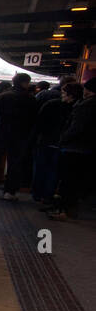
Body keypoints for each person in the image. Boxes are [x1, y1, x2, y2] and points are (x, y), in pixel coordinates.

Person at [49, 77, 96, 220]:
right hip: (87, 149)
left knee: (68, 180)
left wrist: (63, 140)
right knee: (76, 181)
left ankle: (64, 210)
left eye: (86, 88)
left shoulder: (86, 106)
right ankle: (68, 209)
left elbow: (76, 127)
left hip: (74, 148)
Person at [0, 72, 40, 199]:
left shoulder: (1, 97)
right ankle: (10, 191)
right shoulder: (31, 99)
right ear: (25, 83)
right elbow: (34, 119)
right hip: (20, 136)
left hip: (1, 133)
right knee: (15, 163)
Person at [33, 82, 79, 206]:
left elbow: (39, 123)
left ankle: (38, 194)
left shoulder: (51, 105)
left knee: (41, 169)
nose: (62, 95)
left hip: (47, 142)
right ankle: (47, 195)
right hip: (60, 144)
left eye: (65, 93)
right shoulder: (76, 108)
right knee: (54, 171)